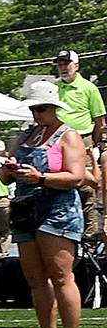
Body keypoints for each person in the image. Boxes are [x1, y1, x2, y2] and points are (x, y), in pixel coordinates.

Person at [2, 79, 87, 328]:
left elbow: (76, 177)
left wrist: (41, 178)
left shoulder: (68, 136)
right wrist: (9, 169)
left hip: (57, 210)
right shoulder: (26, 135)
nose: (35, 115)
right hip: (26, 209)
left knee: (61, 276)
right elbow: (3, 176)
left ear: (53, 108)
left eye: (40, 109)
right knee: (35, 278)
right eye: (33, 109)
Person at [53, 49, 105, 248]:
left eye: (67, 63)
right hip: (58, 140)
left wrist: (97, 146)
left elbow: (99, 120)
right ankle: (63, 235)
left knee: (86, 188)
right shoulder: (55, 88)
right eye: (60, 63)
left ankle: (90, 239)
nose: (63, 67)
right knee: (60, 184)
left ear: (77, 65)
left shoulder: (88, 88)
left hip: (83, 139)